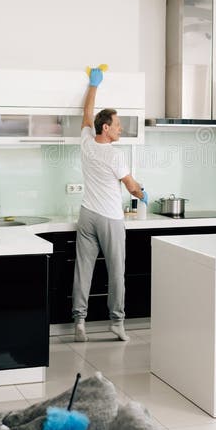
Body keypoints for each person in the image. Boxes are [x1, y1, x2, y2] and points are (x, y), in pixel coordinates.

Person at [71, 67, 148, 342]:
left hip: (87, 214)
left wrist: (93, 85)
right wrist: (142, 193)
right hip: (109, 219)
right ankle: (117, 323)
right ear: (106, 128)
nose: (120, 129)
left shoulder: (85, 143)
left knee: (84, 269)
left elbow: (86, 114)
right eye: (117, 125)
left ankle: (79, 323)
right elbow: (130, 185)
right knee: (116, 272)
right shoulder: (116, 156)